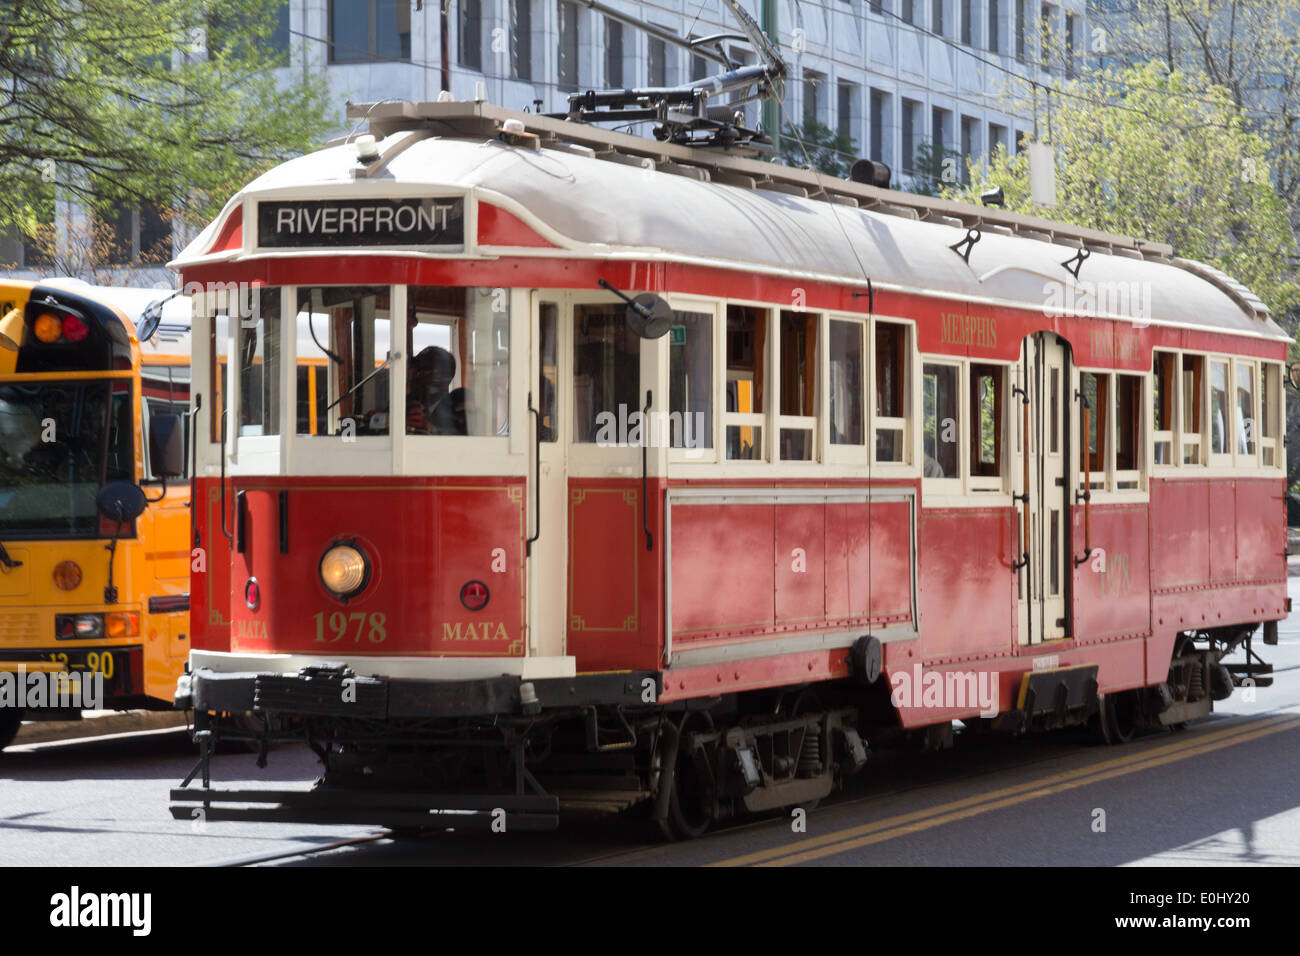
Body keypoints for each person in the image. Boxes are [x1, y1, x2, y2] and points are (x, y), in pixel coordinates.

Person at [406, 345, 456, 435]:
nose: (416, 376)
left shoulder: (457, 409)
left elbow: (466, 441)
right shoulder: (404, 405)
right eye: (416, 371)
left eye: (425, 370)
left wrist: (431, 429)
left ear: (446, 377)